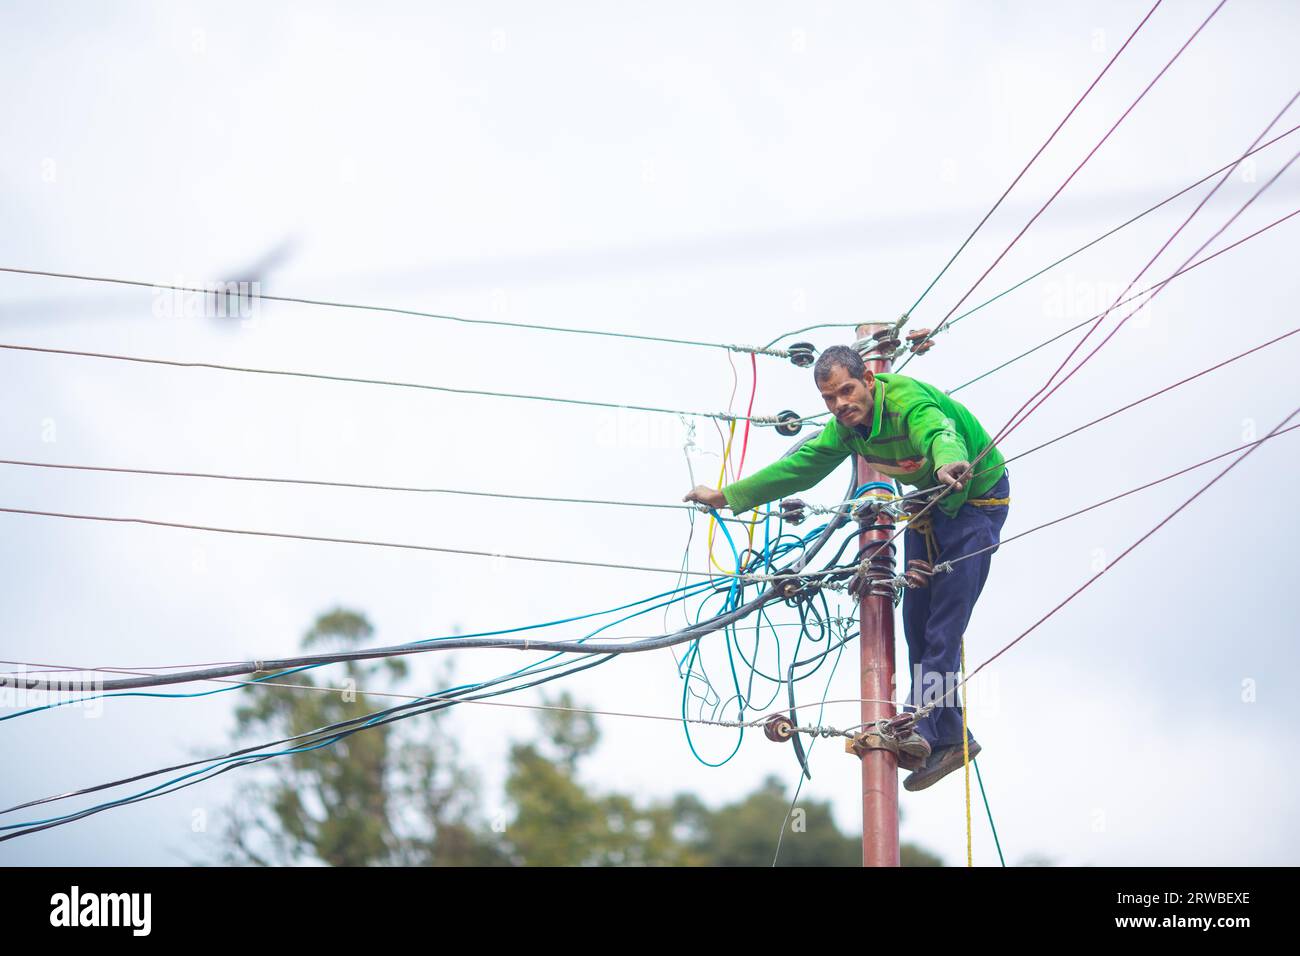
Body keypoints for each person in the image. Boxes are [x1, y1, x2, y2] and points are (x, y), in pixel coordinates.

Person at [683, 344, 1010, 792]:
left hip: (974, 503)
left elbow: (938, 430)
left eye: (848, 390)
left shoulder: (905, 403)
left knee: (944, 626)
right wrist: (727, 496)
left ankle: (919, 723)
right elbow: (799, 469)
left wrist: (949, 461)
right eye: (830, 398)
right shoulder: (845, 429)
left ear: (870, 382)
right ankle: (950, 737)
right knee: (917, 623)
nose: (841, 404)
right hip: (930, 506)